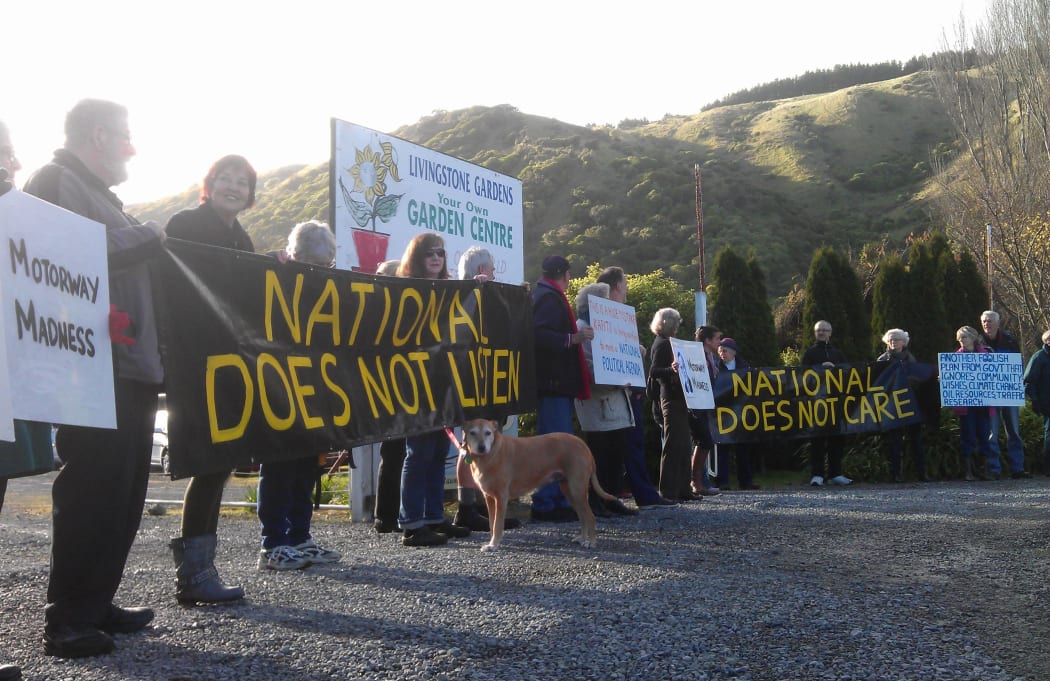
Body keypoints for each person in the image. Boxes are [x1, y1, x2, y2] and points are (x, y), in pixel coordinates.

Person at [24, 99, 164, 658]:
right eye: (127, 135)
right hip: (88, 365)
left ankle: (96, 599)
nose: (133, 146)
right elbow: (55, 257)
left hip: (128, 365)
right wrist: (146, 236)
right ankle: (67, 619)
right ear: (101, 136)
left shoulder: (105, 197)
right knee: (90, 490)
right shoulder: (54, 180)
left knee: (124, 492)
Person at [163, 156, 255, 602]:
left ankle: (198, 572)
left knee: (218, 465)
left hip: (230, 365)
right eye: (226, 178)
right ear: (210, 183)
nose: (233, 186)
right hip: (192, 359)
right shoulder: (185, 222)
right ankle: (194, 576)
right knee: (207, 461)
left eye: (243, 182)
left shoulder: (243, 238)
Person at [255, 221, 342, 569]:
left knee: (306, 466)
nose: (319, 273)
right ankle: (273, 542)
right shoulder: (274, 274)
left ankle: (300, 537)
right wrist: (270, 261)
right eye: (312, 264)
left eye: (326, 267)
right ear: (294, 256)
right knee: (278, 466)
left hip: (313, 388)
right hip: (277, 386)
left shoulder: (332, 288)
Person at [394, 234, 471, 546]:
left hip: (443, 383)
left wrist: (479, 286)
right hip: (415, 383)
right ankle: (412, 523)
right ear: (417, 257)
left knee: (440, 452)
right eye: (430, 253)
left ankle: (434, 517)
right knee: (419, 452)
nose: (437, 258)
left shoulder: (450, 290)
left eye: (441, 252)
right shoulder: (402, 290)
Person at [450, 247, 522, 531]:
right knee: (469, 446)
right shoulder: (459, 296)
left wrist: (519, 299)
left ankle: (481, 505)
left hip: (490, 383)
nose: (495, 274)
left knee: (488, 444)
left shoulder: (492, 297)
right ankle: (466, 507)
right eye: (492, 270)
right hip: (471, 384)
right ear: (481, 271)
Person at [595, 267, 674, 508]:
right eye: (625, 282)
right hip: (619, 391)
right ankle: (635, 495)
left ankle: (632, 493)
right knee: (626, 445)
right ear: (617, 285)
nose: (627, 287)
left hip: (628, 389)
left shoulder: (614, 316)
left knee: (627, 445)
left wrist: (634, 349)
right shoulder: (606, 315)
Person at [530, 255, 593, 521]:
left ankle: (554, 500)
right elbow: (538, 334)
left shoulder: (545, 294)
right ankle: (545, 503)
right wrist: (573, 338)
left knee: (556, 446)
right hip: (553, 383)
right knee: (553, 447)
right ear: (565, 275)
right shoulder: (548, 298)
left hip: (555, 383)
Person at [573, 282, 639, 517]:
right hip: (597, 404)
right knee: (598, 456)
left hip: (616, 402)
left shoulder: (611, 327)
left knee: (616, 454)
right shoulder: (582, 328)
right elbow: (587, 368)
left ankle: (611, 498)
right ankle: (595, 502)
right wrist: (614, 380)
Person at [649, 308, 700, 502]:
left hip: (679, 398)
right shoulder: (662, 344)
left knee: (684, 444)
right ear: (669, 324)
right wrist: (670, 370)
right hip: (670, 398)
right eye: (676, 323)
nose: (678, 327)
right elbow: (654, 371)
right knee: (673, 445)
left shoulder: (669, 343)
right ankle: (668, 491)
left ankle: (683, 489)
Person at [370, 258, 405, 533]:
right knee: (393, 453)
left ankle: (391, 515)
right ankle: (385, 515)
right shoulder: (380, 309)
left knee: (396, 454)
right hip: (388, 389)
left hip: (404, 389)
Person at [979, 310, 1030, 478]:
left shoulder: (1010, 340)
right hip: (989, 396)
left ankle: (1018, 469)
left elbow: (1018, 365)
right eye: (985, 321)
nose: (987, 324)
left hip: (1008, 393)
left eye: (990, 321)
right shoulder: (978, 342)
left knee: (1014, 431)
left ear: (998, 323)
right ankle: (994, 469)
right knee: (992, 433)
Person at [803, 321, 852, 486]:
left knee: (837, 439)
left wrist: (835, 368)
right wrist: (819, 368)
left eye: (825, 330)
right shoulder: (809, 353)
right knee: (817, 439)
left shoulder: (838, 353)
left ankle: (835, 473)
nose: (822, 333)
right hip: (816, 403)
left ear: (830, 333)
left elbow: (848, 373)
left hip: (836, 402)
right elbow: (800, 375)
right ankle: (817, 474)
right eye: (819, 330)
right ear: (815, 333)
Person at [876, 329, 928, 482]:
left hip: (910, 404)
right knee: (894, 440)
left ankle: (921, 472)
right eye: (891, 339)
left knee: (916, 439)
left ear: (903, 342)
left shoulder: (911, 359)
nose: (893, 342)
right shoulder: (881, 360)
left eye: (897, 339)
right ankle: (895, 473)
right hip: (892, 405)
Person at [714, 338, 759, 490]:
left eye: (725, 350)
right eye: (720, 350)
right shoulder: (715, 367)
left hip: (741, 413)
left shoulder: (744, 367)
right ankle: (722, 482)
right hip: (723, 413)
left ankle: (746, 481)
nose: (722, 353)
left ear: (733, 352)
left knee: (743, 448)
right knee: (723, 448)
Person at [953, 326, 996, 481]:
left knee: (985, 436)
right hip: (966, 406)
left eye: (964, 337)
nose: (961, 341)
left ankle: (984, 469)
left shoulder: (987, 355)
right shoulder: (954, 358)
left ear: (972, 338)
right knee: (968, 436)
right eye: (959, 338)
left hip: (983, 405)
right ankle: (968, 471)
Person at [689, 325, 723, 495]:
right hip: (696, 406)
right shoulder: (698, 356)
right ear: (708, 340)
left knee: (704, 442)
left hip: (705, 405)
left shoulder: (711, 357)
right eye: (716, 338)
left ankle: (699, 482)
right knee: (704, 442)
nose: (719, 342)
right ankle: (695, 482)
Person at [1023, 330, 1050, 475]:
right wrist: (1035, 400)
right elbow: (1028, 381)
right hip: (1046, 402)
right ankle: (1047, 467)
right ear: (1047, 341)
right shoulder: (1039, 357)